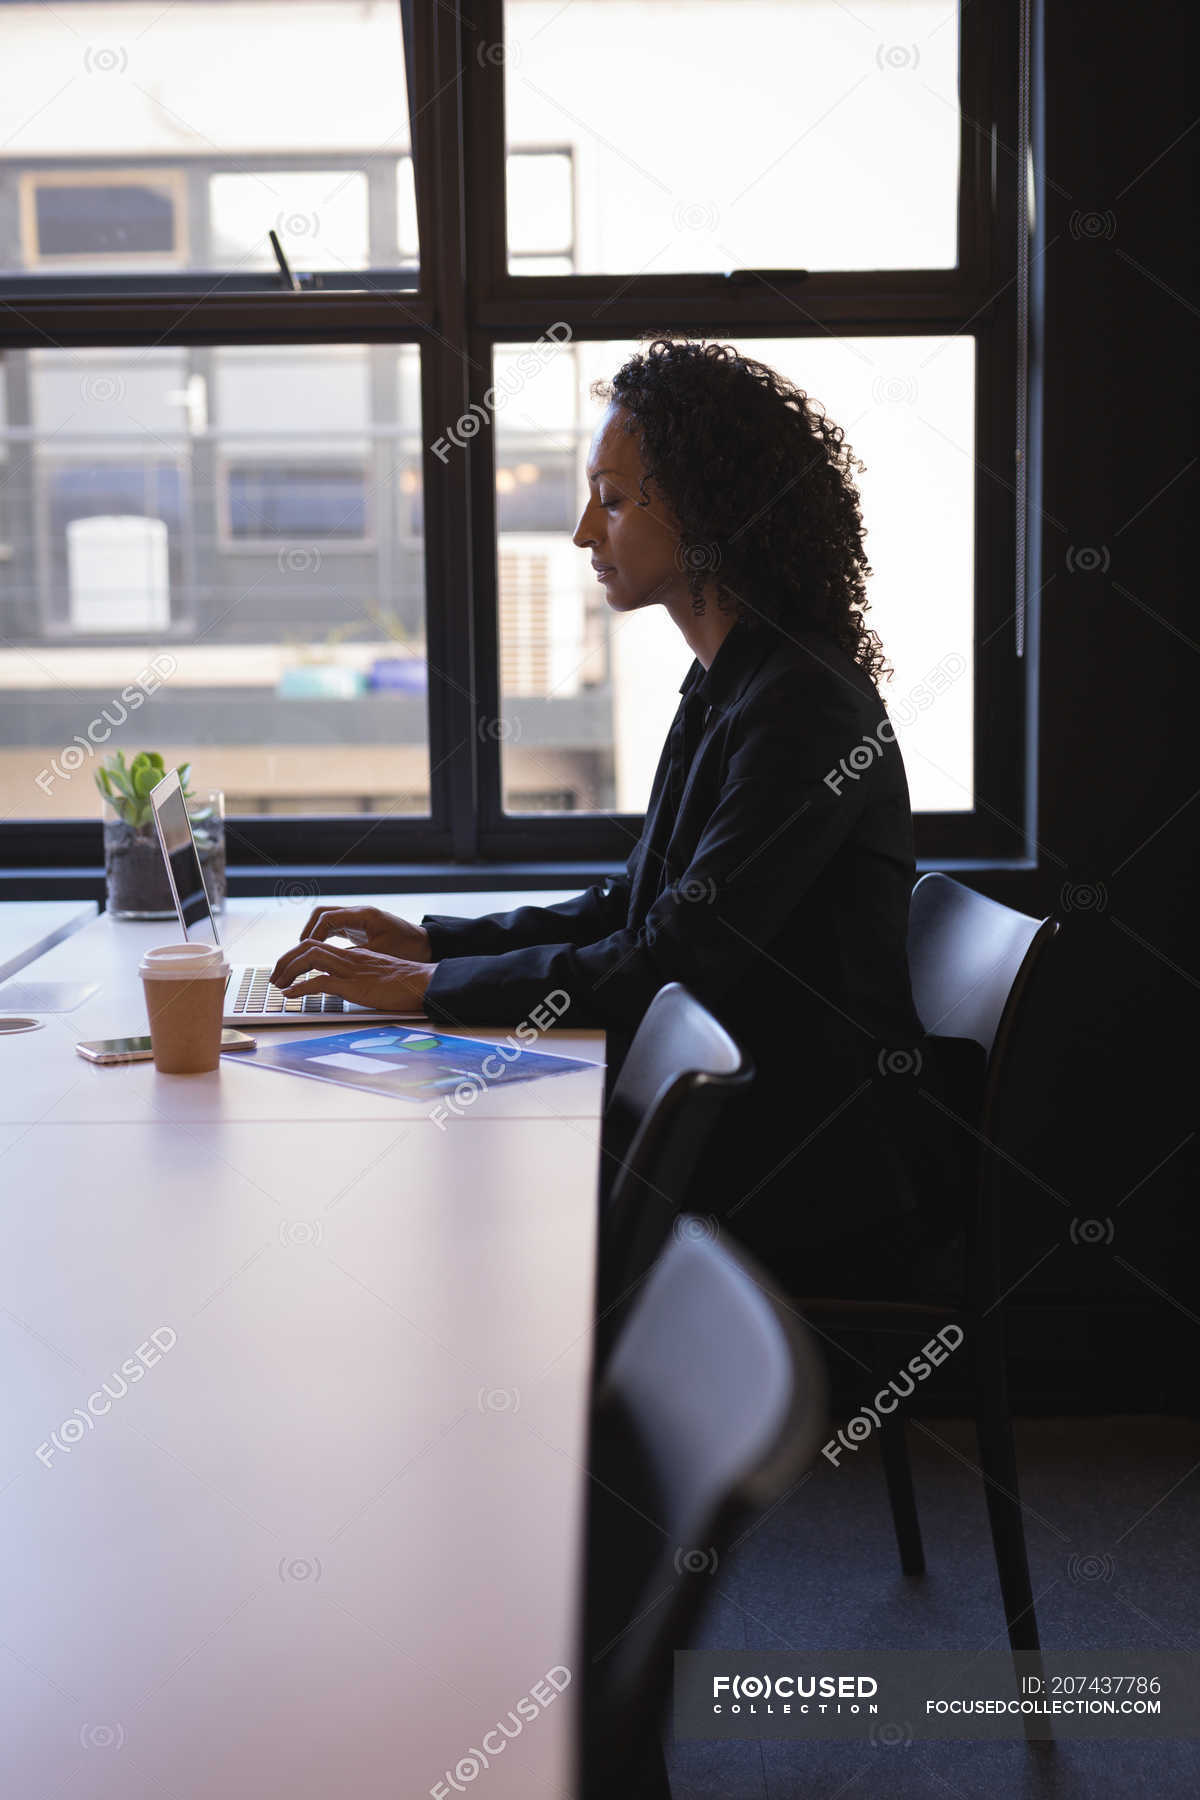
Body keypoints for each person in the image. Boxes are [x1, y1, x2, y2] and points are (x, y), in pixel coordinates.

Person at [269, 337, 983, 1284]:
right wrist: (433, 948)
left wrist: (429, 992)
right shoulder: (733, 681)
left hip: (810, 1161)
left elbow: (675, 960)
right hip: (749, 1115)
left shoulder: (806, 706)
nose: (581, 533)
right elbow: (637, 905)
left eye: (610, 501)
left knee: (441, 1192)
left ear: (707, 512)